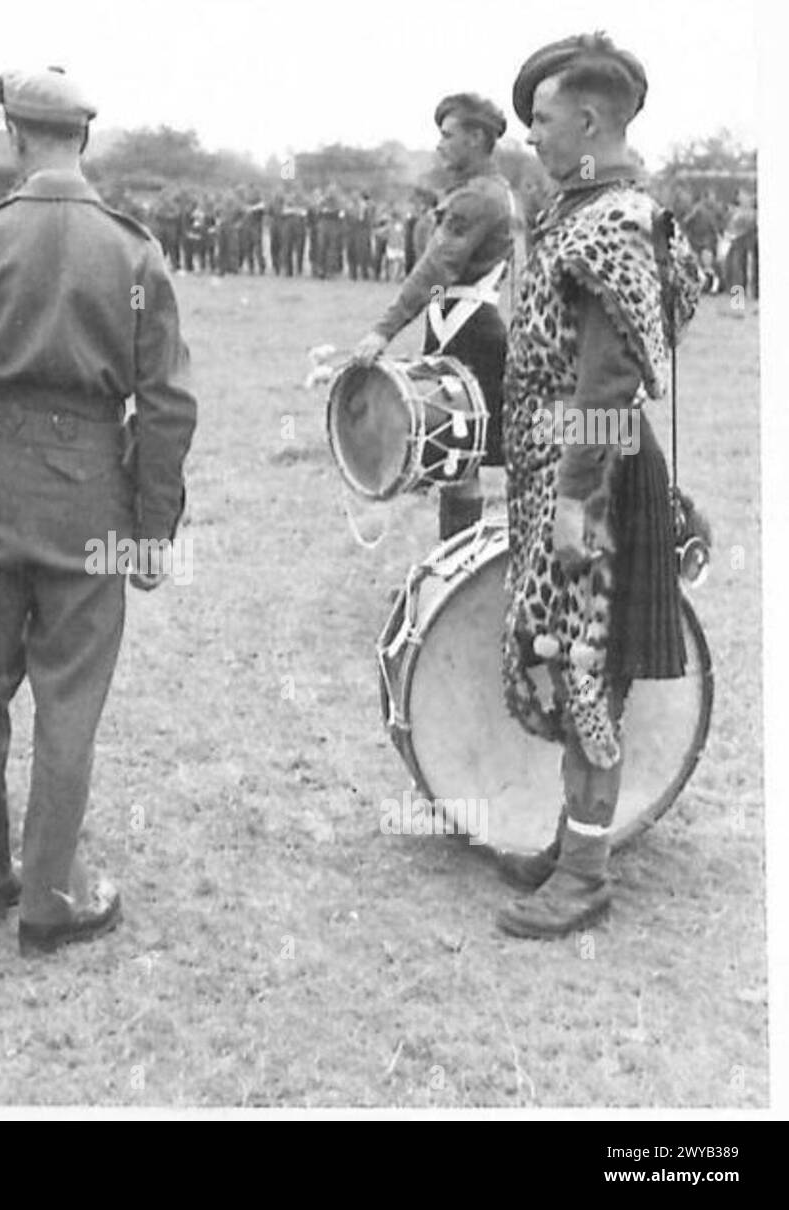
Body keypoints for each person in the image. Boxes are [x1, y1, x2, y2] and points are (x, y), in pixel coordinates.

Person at [0, 68, 197, 955]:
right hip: (91, 506)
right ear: (85, 139)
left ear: (13, 137)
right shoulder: (134, 250)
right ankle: (49, 901)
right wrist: (153, 531)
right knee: (69, 705)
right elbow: (167, 404)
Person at [495, 32, 701, 937]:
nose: (531, 136)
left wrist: (575, 501)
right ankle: (572, 843)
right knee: (564, 657)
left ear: (586, 122)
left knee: (586, 670)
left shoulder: (611, 224)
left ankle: (585, 876)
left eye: (541, 122)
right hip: (574, 471)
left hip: (597, 476)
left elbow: (609, 385)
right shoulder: (586, 212)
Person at [350, 93, 514, 539]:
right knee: (456, 460)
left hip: (470, 331)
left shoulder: (478, 199)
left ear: (477, 139)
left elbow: (436, 269)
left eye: (448, 136)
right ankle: (452, 571)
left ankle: (463, 574)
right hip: (452, 325)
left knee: (464, 455)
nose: (439, 145)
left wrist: (383, 331)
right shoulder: (472, 193)